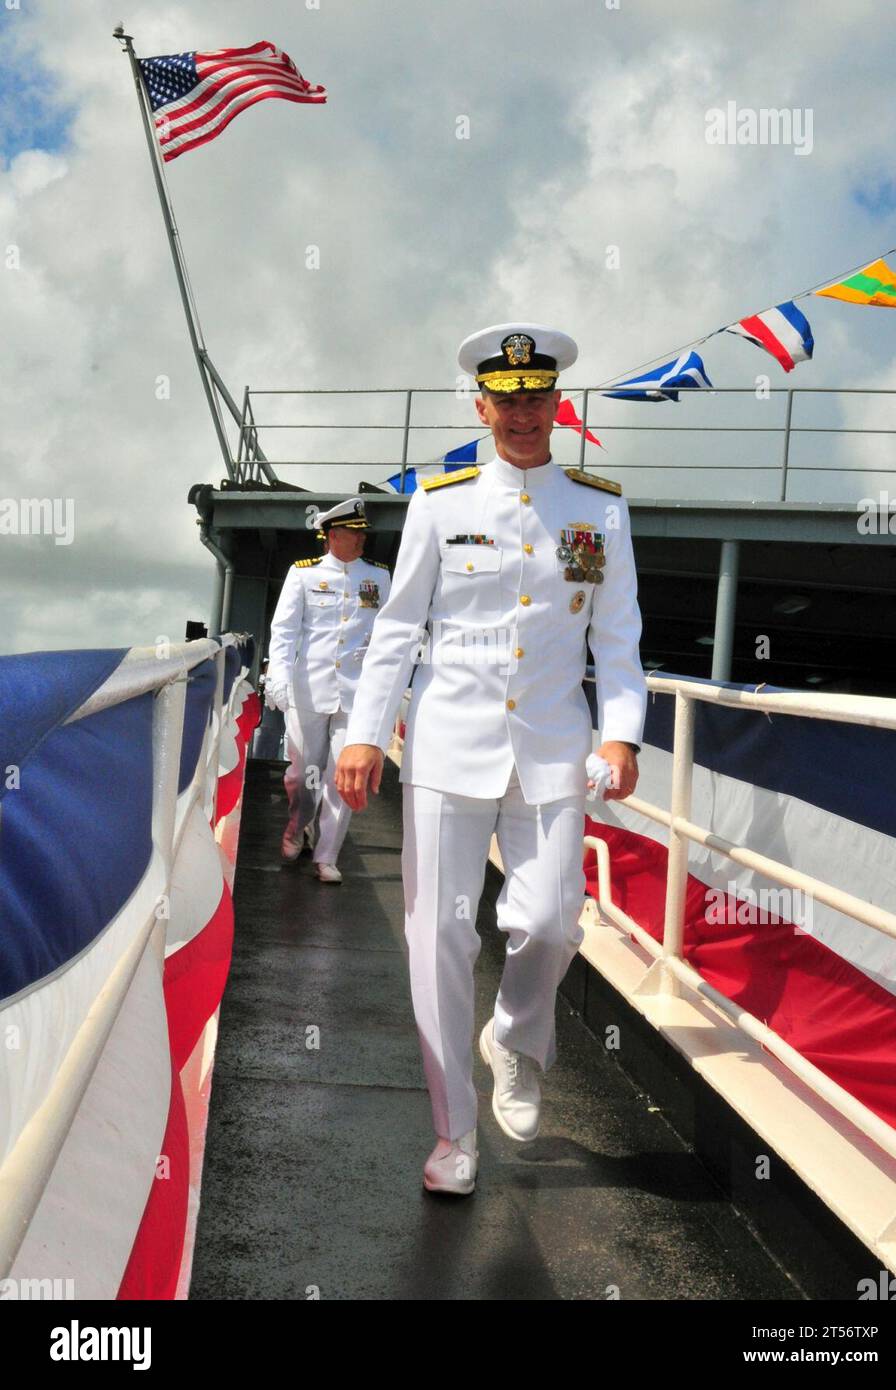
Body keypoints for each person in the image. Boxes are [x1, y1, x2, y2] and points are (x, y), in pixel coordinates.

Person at [335, 324, 646, 1194]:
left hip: (553, 745)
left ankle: (514, 1037)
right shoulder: (441, 501)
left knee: (550, 922)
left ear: (558, 405)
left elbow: (617, 637)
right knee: (435, 933)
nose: (521, 413)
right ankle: (452, 1134)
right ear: (482, 406)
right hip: (446, 743)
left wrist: (620, 731)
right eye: (505, 401)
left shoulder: (599, 509)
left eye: (535, 398)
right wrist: (365, 731)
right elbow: (398, 626)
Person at [265, 497, 391, 882]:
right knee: (304, 774)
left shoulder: (380, 577)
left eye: (363, 534)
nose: (362, 540)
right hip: (309, 690)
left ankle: (327, 855)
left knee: (343, 775)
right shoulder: (303, 575)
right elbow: (285, 631)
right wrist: (279, 679)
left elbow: (390, 634)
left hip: (357, 695)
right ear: (334, 535)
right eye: (355, 534)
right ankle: (297, 825)